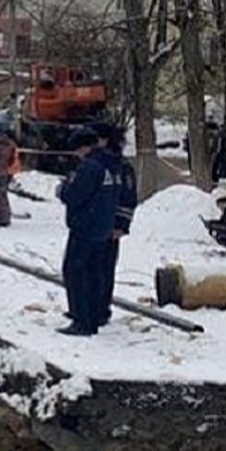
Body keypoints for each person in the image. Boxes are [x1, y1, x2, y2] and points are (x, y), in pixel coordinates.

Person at [56, 129, 117, 336]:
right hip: (102, 227)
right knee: (95, 273)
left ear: (83, 147)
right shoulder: (110, 165)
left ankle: (81, 319)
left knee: (75, 272)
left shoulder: (90, 168)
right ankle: (93, 315)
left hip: (85, 227)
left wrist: (63, 189)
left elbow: (74, 196)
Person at [93, 122, 139, 333]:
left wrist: (121, 225)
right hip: (92, 224)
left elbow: (128, 198)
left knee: (104, 268)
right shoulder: (95, 162)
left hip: (110, 226)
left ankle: (101, 308)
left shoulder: (120, 167)